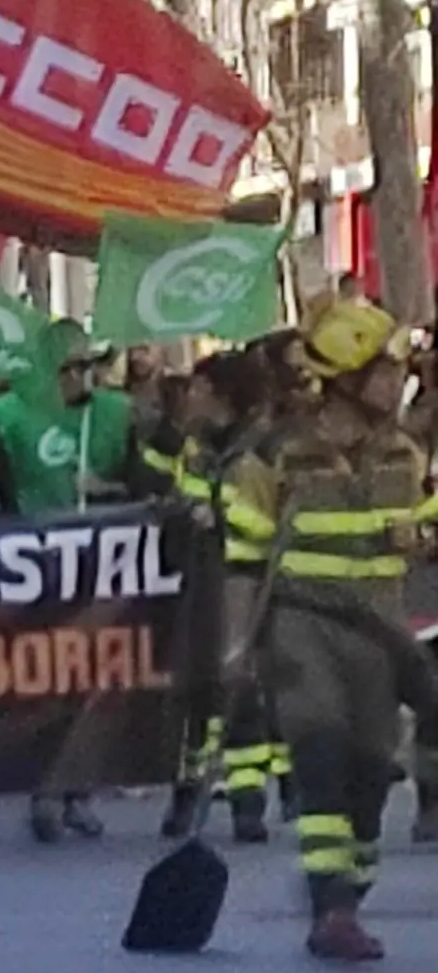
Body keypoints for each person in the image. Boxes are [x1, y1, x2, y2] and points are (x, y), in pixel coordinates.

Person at [220, 297, 438, 960]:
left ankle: (350, 880)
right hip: (300, 625)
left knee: (372, 773)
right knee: (319, 755)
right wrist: (234, 644)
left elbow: (428, 523)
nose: (394, 382)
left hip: (378, 631)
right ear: (345, 377)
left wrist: (422, 533)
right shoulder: (277, 455)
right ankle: (331, 908)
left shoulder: (404, 451)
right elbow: (243, 556)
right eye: (382, 371)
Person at [0, 319, 143, 843]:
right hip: (36, 567)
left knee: (91, 685)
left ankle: (77, 791)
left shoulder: (117, 415)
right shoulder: (6, 417)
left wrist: (109, 487)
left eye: (87, 367)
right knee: (39, 683)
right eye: (70, 369)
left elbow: (148, 482)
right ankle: (43, 789)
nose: (81, 379)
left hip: (101, 568)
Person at [147, 351, 293, 843]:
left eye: (200, 389)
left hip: (244, 582)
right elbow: (177, 499)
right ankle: (187, 793)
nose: (191, 396)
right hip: (202, 578)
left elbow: (267, 525)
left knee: (241, 689)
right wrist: (181, 512)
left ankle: (248, 801)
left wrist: (215, 512)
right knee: (195, 691)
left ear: (222, 395)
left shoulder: (257, 453)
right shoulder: (197, 448)